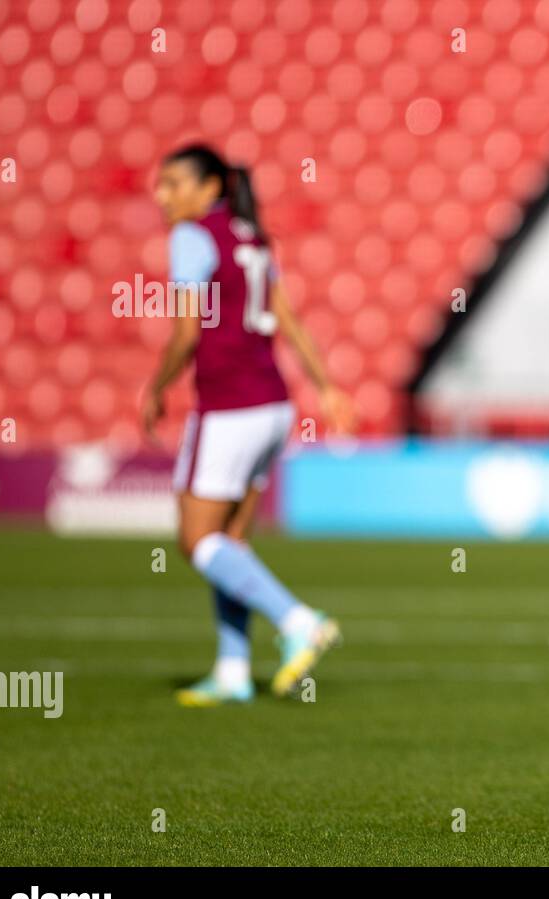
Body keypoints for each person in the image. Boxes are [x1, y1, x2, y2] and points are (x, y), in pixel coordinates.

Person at [144, 143, 354, 705]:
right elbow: (287, 317)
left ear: (210, 186)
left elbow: (187, 334)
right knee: (231, 542)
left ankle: (298, 621)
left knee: (197, 542)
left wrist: (156, 387)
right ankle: (234, 671)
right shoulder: (252, 237)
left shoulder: (192, 238)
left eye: (173, 184)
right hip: (273, 405)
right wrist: (326, 386)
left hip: (230, 405)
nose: (162, 196)